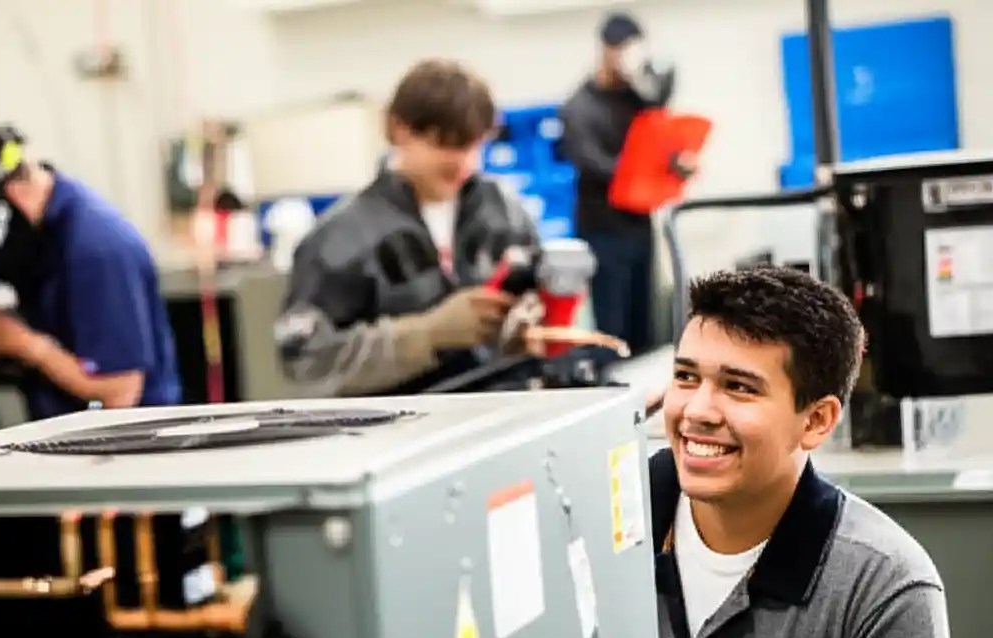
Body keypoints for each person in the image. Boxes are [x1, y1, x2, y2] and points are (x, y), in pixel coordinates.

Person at [648, 267, 953, 638]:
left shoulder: (884, 589)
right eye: (687, 378)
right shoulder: (608, 521)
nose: (697, 410)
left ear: (816, 421)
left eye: (738, 387)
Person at [275, 59, 540, 396]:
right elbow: (306, 362)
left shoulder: (503, 211)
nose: (464, 163)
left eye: (474, 145)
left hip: (500, 413)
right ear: (399, 129)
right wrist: (426, 335)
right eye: (446, 144)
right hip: (403, 433)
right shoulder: (337, 242)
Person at [0, 123, 182, 420]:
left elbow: (119, 392)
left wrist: (21, 343)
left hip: (129, 454)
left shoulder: (95, 249)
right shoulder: (41, 238)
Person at [560, 12, 691, 355]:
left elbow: (659, 127)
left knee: (645, 323)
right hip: (602, 229)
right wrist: (640, 168)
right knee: (613, 329)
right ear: (605, 51)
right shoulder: (579, 107)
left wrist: (675, 164)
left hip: (638, 223)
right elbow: (593, 165)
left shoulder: (636, 99)